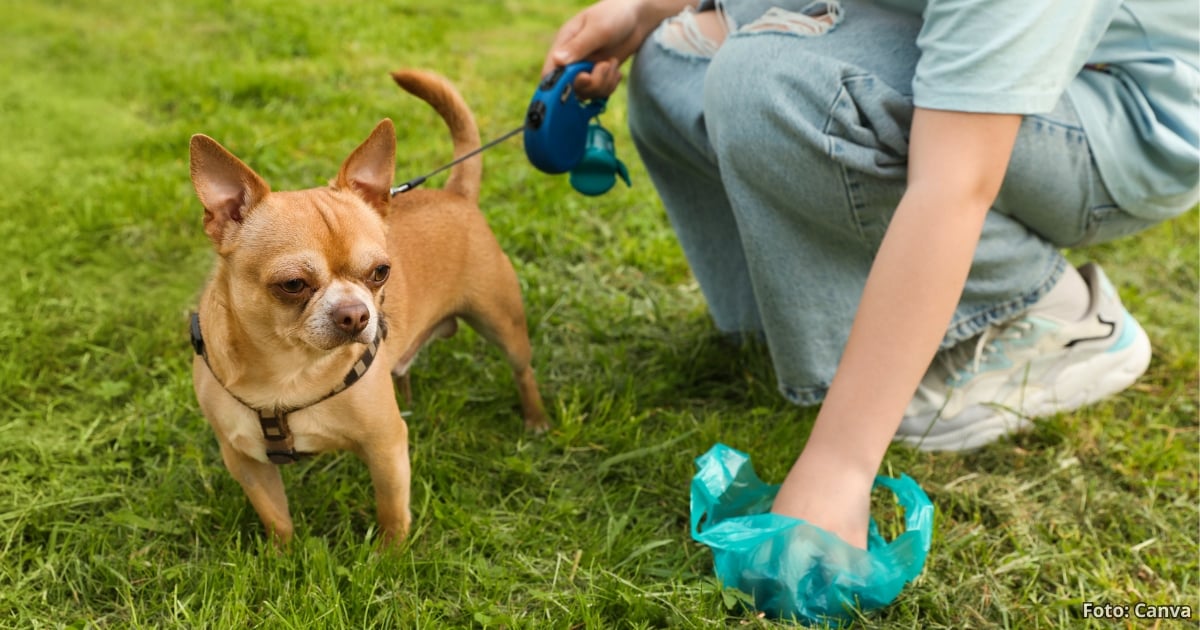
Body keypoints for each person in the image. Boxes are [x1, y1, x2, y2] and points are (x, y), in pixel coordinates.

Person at [542, 0, 1198, 549]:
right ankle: (841, 318)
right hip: (943, 38)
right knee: (677, 55)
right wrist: (642, 11)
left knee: (767, 83)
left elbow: (955, 181)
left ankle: (1041, 311)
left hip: (1122, 105)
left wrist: (839, 469)